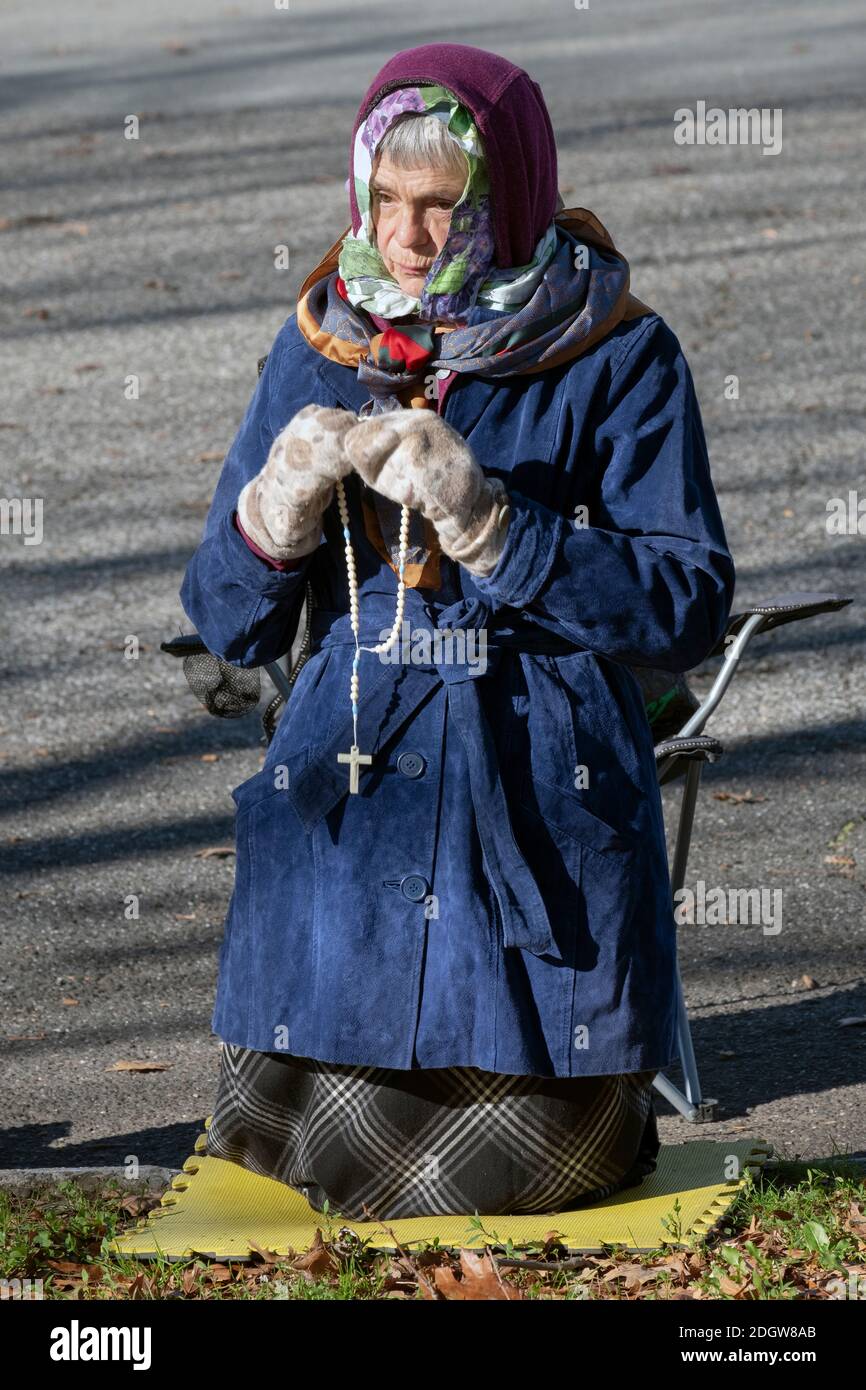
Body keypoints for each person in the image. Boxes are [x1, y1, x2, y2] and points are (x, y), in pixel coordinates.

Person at [179, 42, 735, 1222]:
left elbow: (682, 606)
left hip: (538, 770)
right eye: (384, 199)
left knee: (534, 1169)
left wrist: (496, 526)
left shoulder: (619, 352)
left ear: (511, 200)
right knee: (304, 1162)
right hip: (352, 773)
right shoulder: (323, 338)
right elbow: (226, 620)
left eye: (445, 205)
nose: (407, 237)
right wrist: (271, 513)